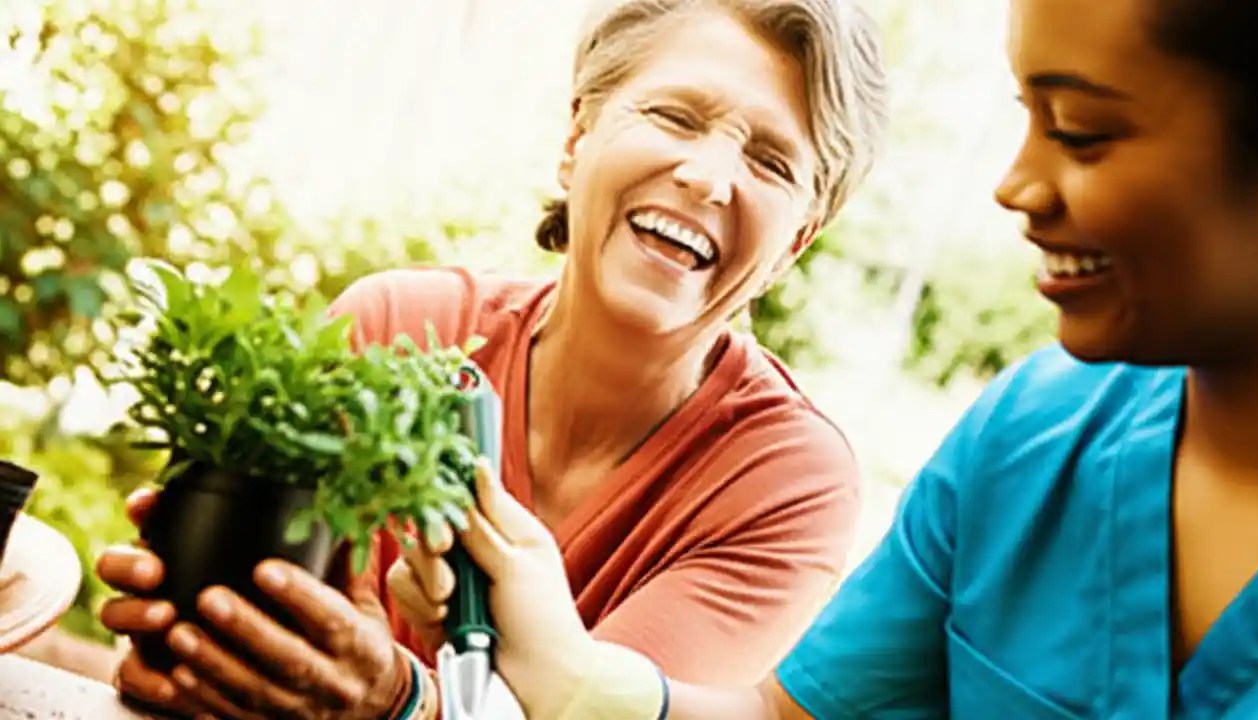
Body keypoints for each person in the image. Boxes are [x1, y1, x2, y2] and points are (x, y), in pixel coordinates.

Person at [391, 0, 1258, 717]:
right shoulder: (1027, 437)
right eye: (1029, 118)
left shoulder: (787, 473)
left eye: (1083, 130)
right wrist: (572, 676)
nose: (1014, 185)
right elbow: (784, 715)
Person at [92, 0, 889, 716]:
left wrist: (402, 704)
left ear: (796, 242)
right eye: (676, 116)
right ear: (577, 139)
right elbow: (254, 656)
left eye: (771, 163)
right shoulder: (397, 327)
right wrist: (192, 641)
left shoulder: (785, 480)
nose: (709, 178)